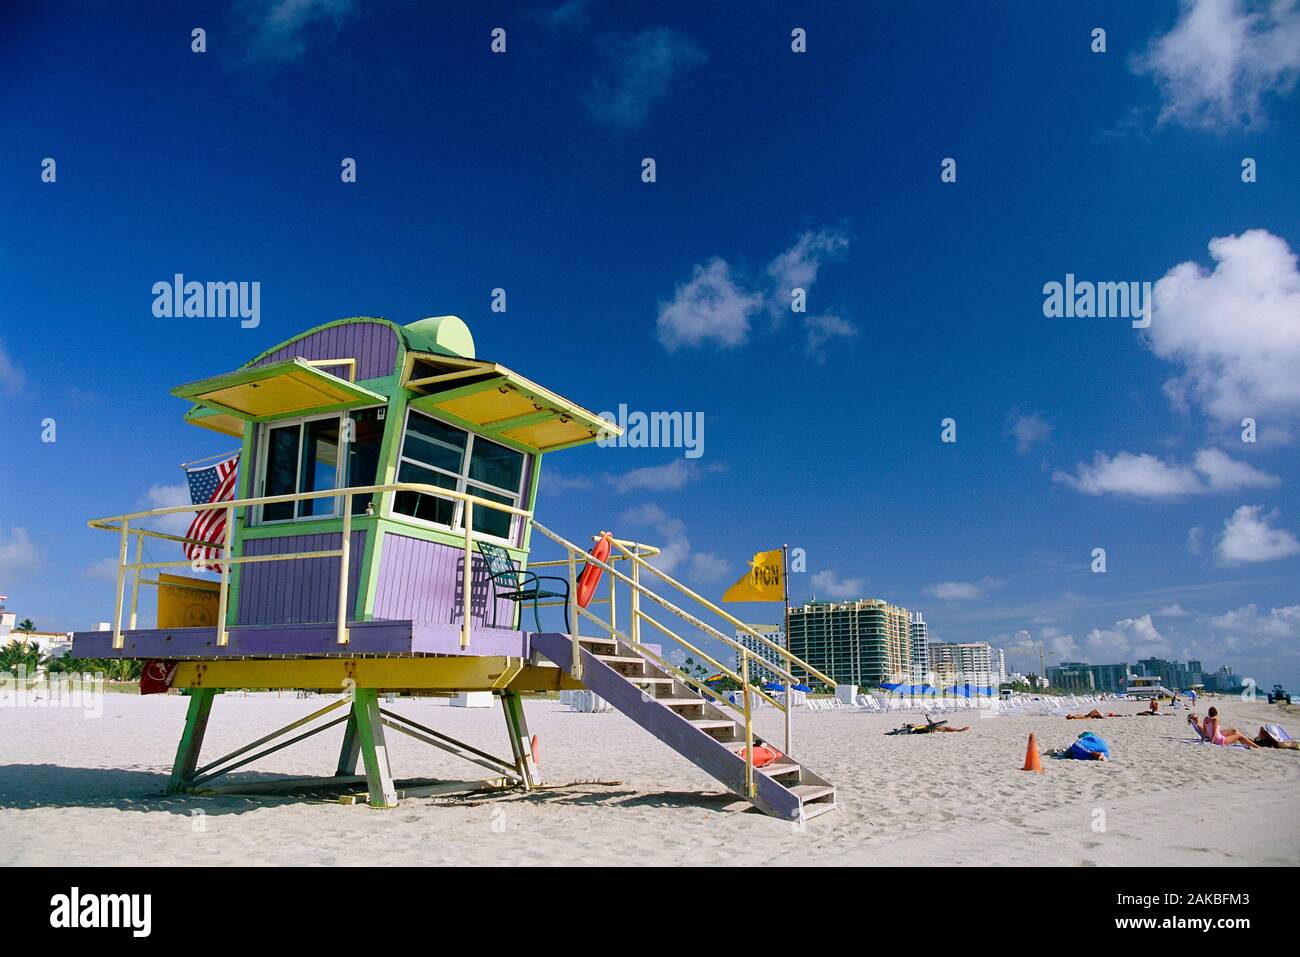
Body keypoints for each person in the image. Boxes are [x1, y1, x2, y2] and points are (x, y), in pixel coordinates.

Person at [1189, 707, 1261, 748]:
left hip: (1216, 738)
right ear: (1216, 713)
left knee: (1235, 732)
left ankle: (1246, 743)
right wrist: (1212, 742)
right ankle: (1257, 747)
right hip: (1219, 740)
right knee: (1239, 736)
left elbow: (1204, 732)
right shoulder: (1215, 720)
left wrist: (1203, 740)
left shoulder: (1205, 719)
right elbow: (1214, 732)